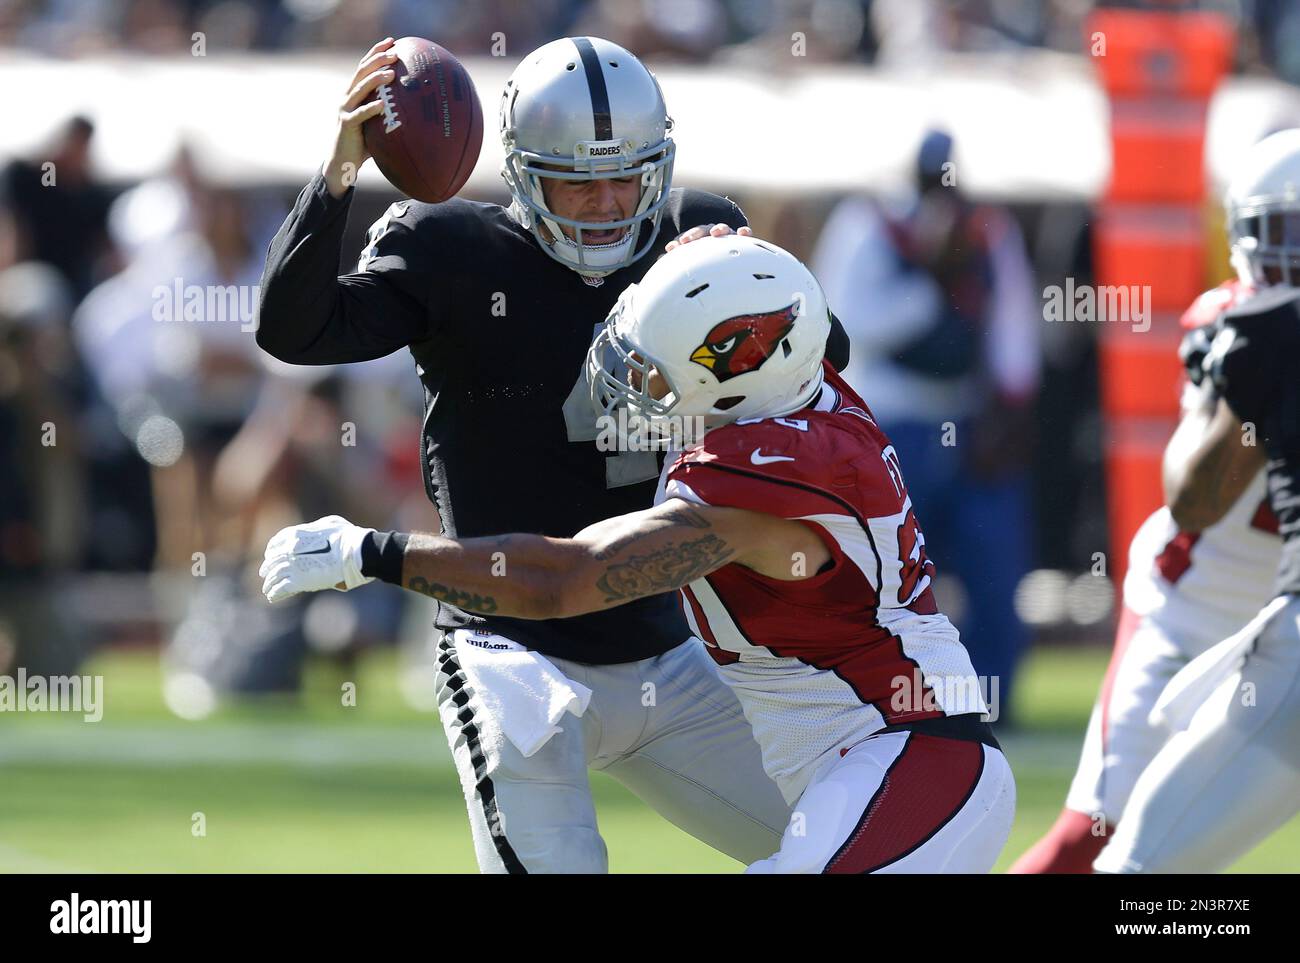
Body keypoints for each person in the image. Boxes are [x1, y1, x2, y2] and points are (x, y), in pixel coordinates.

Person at [256, 36, 850, 873]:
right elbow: (294, 330)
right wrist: (337, 175)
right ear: (524, 172)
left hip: (672, 650)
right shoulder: (451, 248)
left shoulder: (693, 234)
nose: (607, 203)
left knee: (855, 851)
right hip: (511, 655)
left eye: (627, 176)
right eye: (578, 178)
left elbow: (827, 362)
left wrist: (736, 282)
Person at [260, 234, 1016, 873]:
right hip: (868, 765)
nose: (636, 387)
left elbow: (568, 580)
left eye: (657, 369)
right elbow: (785, 307)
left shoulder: (762, 474)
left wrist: (374, 553)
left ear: (737, 373)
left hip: (913, 764)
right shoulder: (803, 390)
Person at [1012, 130, 1298, 873]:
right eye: (1283, 233)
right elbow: (1196, 497)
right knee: (1092, 842)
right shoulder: (1237, 328)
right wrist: (1265, 379)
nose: (1294, 255)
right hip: (1191, 613)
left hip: (1284, 632)